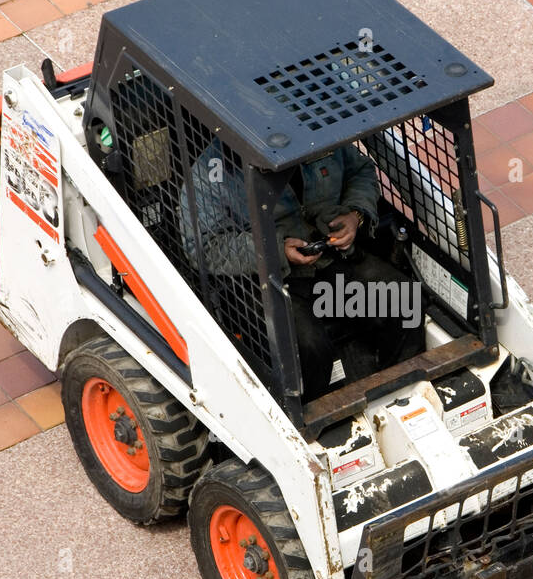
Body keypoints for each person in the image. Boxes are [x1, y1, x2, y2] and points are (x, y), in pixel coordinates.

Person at [180, 140, 424, 400]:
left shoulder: (319, 135)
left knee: (404, 298)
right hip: (267, 278)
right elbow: (202, 248)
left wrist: (356, 215)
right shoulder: (210, 173)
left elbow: (361, 170)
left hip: (332, 259)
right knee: (308, 347)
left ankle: (401, 392)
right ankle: (314, 417)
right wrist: (274, 249)